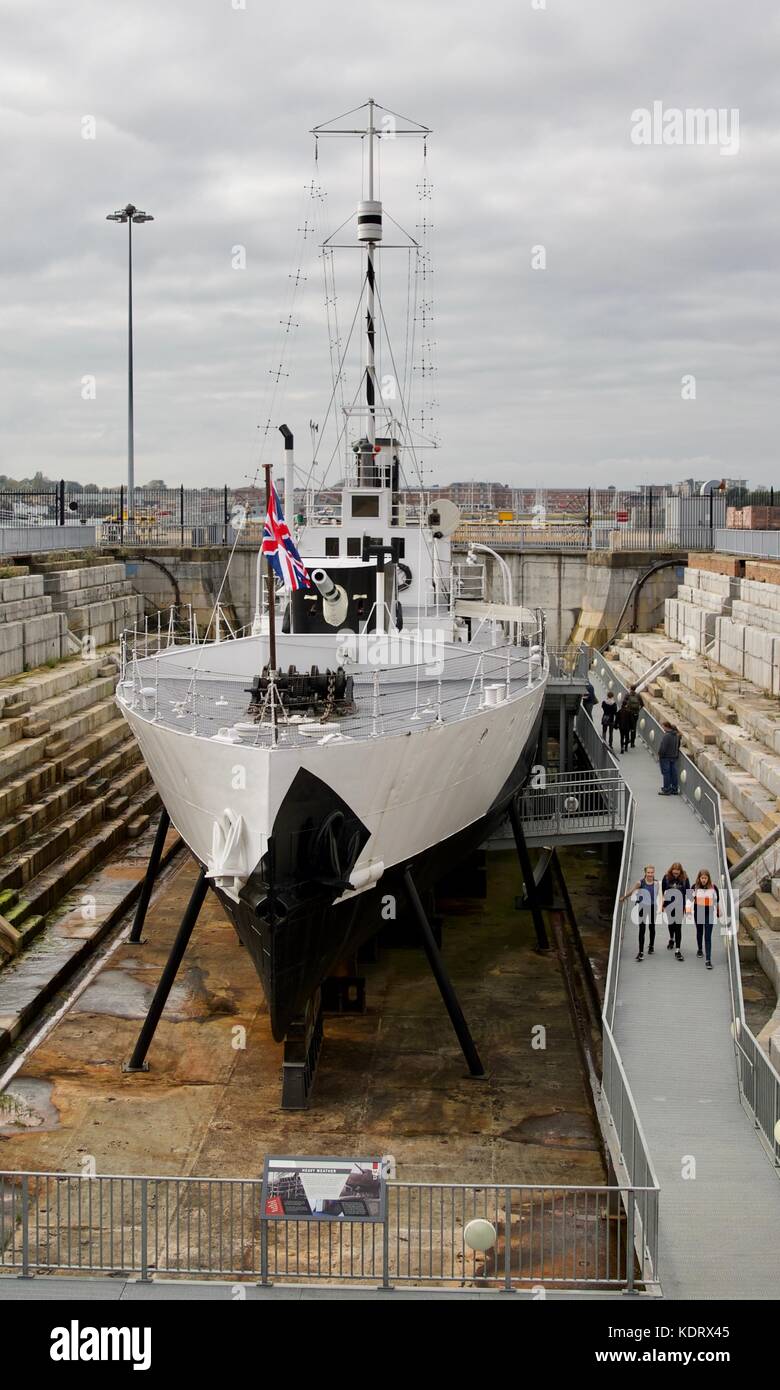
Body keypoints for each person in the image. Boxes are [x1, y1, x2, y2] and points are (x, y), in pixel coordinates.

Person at [621, 864, 659, 962]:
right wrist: (624, 897)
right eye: (648, 872)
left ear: (654, 873)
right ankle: (641, 952)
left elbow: (657, 895)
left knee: (652, 927)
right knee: (642, 929)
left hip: (652, 907)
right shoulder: (640, 883)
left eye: (652, 872)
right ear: (645, 873)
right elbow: (632, 891)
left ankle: (651, 945)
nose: (650, 874)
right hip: (642, 908)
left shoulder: (656, 883)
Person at [661, 861, 690, 961]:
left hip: (679, 906)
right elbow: (663, 891)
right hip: (669, 905)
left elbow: (689, 894)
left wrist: (688, 908)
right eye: (674, 871)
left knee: (678, 927)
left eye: (678, 871)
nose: (676, 873)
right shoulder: (666, 878)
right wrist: (663, 905)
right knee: (671, 924)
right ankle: (671, 938)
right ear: (671, 870)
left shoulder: (685, 879)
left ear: (680, 871)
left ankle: (677, 950)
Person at [692, 868, 720, 969]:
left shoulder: (713, 887)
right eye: (702, 878)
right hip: (698, 913)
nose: (704, 880)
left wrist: (718, 911)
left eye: (705, 878)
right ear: (699, 878)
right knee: (700, 932)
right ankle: (700, 949)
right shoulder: (694, 887)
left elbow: (717, 900)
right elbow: (688, 900)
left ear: (708, 878)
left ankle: (708, 960)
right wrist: (688, 911)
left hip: (709, 914)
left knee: (708, 937)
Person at [658, 721, 681, 795]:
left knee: (666, 773)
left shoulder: (667, 736)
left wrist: (660, 754)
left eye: (663, 726)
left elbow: (663, 747)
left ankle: (666, 789)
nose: (663, 728)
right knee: (673, 773)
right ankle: (674, 789)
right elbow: (677, 746)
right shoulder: (676, 736)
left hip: (665, 757)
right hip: (673, 756)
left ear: (666, 727)